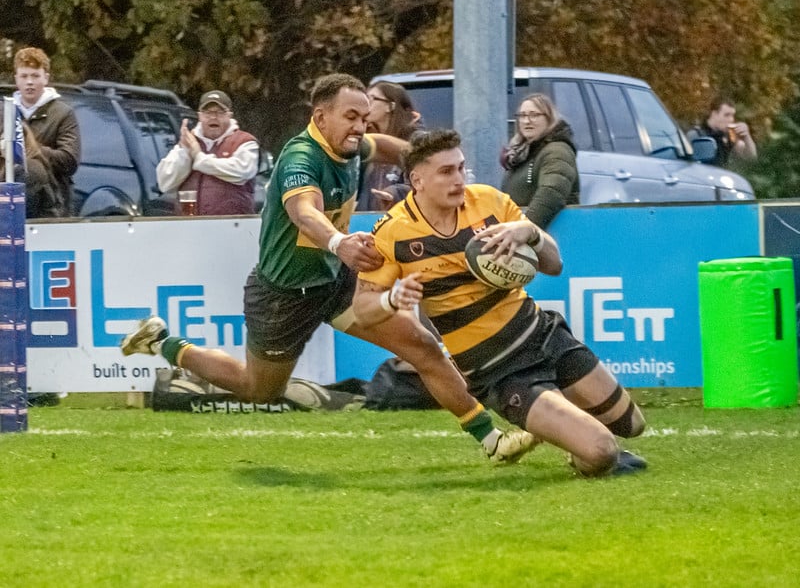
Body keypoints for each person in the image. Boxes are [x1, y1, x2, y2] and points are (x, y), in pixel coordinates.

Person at [122, 73, 535, 463]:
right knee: (259, 390)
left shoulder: (352, 145)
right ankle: (164, 342)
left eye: (363, 117)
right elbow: (305, 213)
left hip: (336, 281)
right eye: (350, 117)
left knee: (421, 346)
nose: (360, 126)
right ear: (320, 117)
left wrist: (424, 170)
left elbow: (394, 149)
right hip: (283, 294)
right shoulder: (301, 156)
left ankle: (491, 439)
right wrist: (340, 243)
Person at [353, 128, 647, 477]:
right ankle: (573, 436)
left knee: (632, 424)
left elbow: (554, 265)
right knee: (602, 452)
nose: (459, 179)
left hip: (543, 335)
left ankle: (566, 425)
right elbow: (363, 309)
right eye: (447, 172)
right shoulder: (393, 231)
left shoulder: (490, 202)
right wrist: (390, 299)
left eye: (462, 168)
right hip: (497, 369)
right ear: (417, 180)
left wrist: (532, 235)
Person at [2, 47, 79, 216]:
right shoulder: (5, 112)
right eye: (24, 76)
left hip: (51, 208)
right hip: (9, 208)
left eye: (35, 76)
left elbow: (70, 161)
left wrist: (30, 150)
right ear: (16, 79)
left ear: (46, 78)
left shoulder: (63, 114)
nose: (29, 82)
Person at [157, 90, 259, 215]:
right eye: (207, 112)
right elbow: (164, 182)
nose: (213, 117)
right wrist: (185, 152)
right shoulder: (189, 141)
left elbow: (242, 172)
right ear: (199, 116)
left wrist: (200, 158)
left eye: (220, 112)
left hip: (233, 227)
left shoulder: (244, 141)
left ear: (230, 115)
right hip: (189, 228)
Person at [500, 93, 579, 229]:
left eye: (534, 115)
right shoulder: (521, 153)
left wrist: (525, 228)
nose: (527, 121)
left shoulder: (557, 151)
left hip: (550, 236)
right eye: (522, 115)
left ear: (549, 118)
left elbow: (551, 193)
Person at [356, 81, 421, 211]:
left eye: (371, 98)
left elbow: (425, 185)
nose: (365, 104)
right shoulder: (367, 140)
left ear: (390, 106)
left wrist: (395, 194)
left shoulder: (417, 140)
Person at [687, 97, 757, 168]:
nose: (731, 119)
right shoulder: (696, 135)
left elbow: (750, 158)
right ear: (714, 114)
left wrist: (746, 136)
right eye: (726, 115)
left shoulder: (729, 135)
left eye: (732, 115)